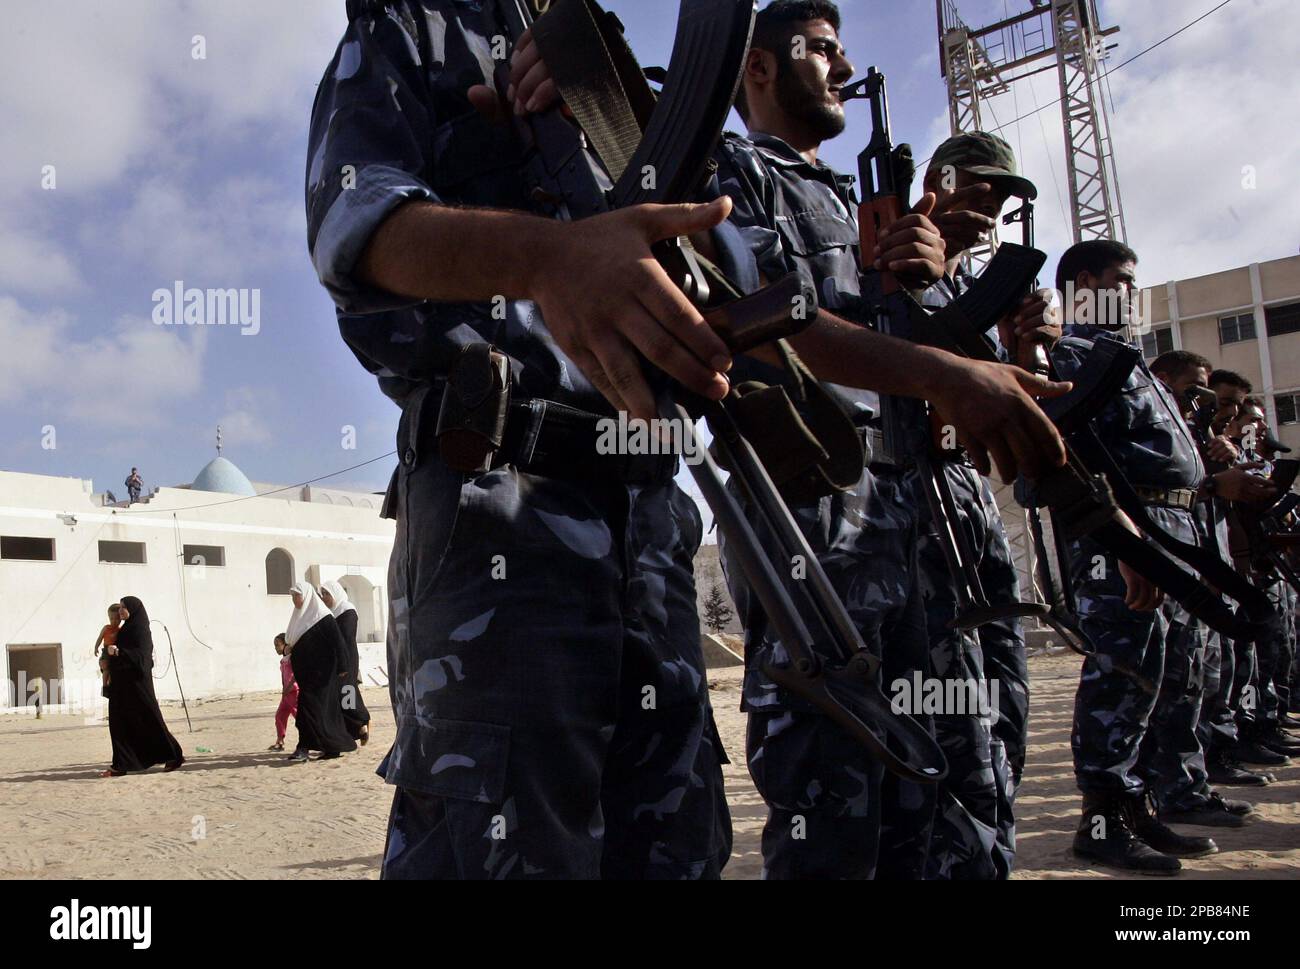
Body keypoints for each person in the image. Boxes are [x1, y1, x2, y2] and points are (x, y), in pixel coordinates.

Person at [709, 0, 1068, 879]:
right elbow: (754, 325)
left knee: (951, 786)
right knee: (836, 801)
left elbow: (940, 371)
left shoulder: (859, 198)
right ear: (760, 67)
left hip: (921, 522)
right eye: (823, 49)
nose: (841, 66)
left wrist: (923, 283)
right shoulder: (726, 170)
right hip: (818, 520)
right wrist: (942, 370)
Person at [1039, 241, 1270, 872]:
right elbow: (1075, 454)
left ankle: (1144, 802)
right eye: (1121, 280)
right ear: (1084, 281)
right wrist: (1120, 538)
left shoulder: (1128, 360)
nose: (1131, 293)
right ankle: (1103, 817)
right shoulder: (1075, 355)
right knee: (1124, 669)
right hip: (1124, 526)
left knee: (1170, 671)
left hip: (1174, 522)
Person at [101, 596, 184, 777]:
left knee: (149, 719)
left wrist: (119, 651)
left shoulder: (140, 630)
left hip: (138, 685)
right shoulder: (124, 630)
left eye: (124, 607)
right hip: (121, 686)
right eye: (120, 607)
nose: (120, 611)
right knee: (119, 723)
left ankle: (174, 755)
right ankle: (120, 765)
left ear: (133, 609)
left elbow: (144, 658)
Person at [284, 583, 357, 763]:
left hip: (323, 676)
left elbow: (338, 643)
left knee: (306, 710)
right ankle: (333, 747)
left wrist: (343, 668)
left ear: (307, 596)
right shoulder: (298, 619)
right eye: (293, 596)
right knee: (323, 712)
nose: (295, 600)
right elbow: (292, 643)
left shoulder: (324, 618)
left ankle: (303, 748)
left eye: (297, 596)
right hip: (306, 675)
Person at [320, 579, 370, 746]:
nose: (324, 597)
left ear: (335, 593)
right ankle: (358, 727)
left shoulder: (347, 611)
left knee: (346, 691)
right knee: (345, 692)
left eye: (327, 593)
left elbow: (346, 638)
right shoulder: (332, 613)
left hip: (346, 658)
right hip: (337, 659)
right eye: (323, 594)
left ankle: (361, 721)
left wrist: (343, 662)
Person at [269, 633, 299, 753]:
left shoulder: (292, 658)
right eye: (275, 645)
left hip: (294, 693)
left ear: (285, 645)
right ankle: (280, 741)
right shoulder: (283, 660)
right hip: (286, 694)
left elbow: (295, 674)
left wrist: (289, 687)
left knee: (300, 718)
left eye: (278, 645)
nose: (276, 648)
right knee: (280, 716)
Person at [93, 603, 123, 699]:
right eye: (111, 619)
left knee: (113, 671)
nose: (114, 621)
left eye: (117, 619)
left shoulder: (120, 629)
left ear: (121, 618)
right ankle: (105, 686)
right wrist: (96, 647)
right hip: (106, 650)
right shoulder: (107, 628)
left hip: (115, 651)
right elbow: (100, 638)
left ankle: (110, 686)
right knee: (106, 668)